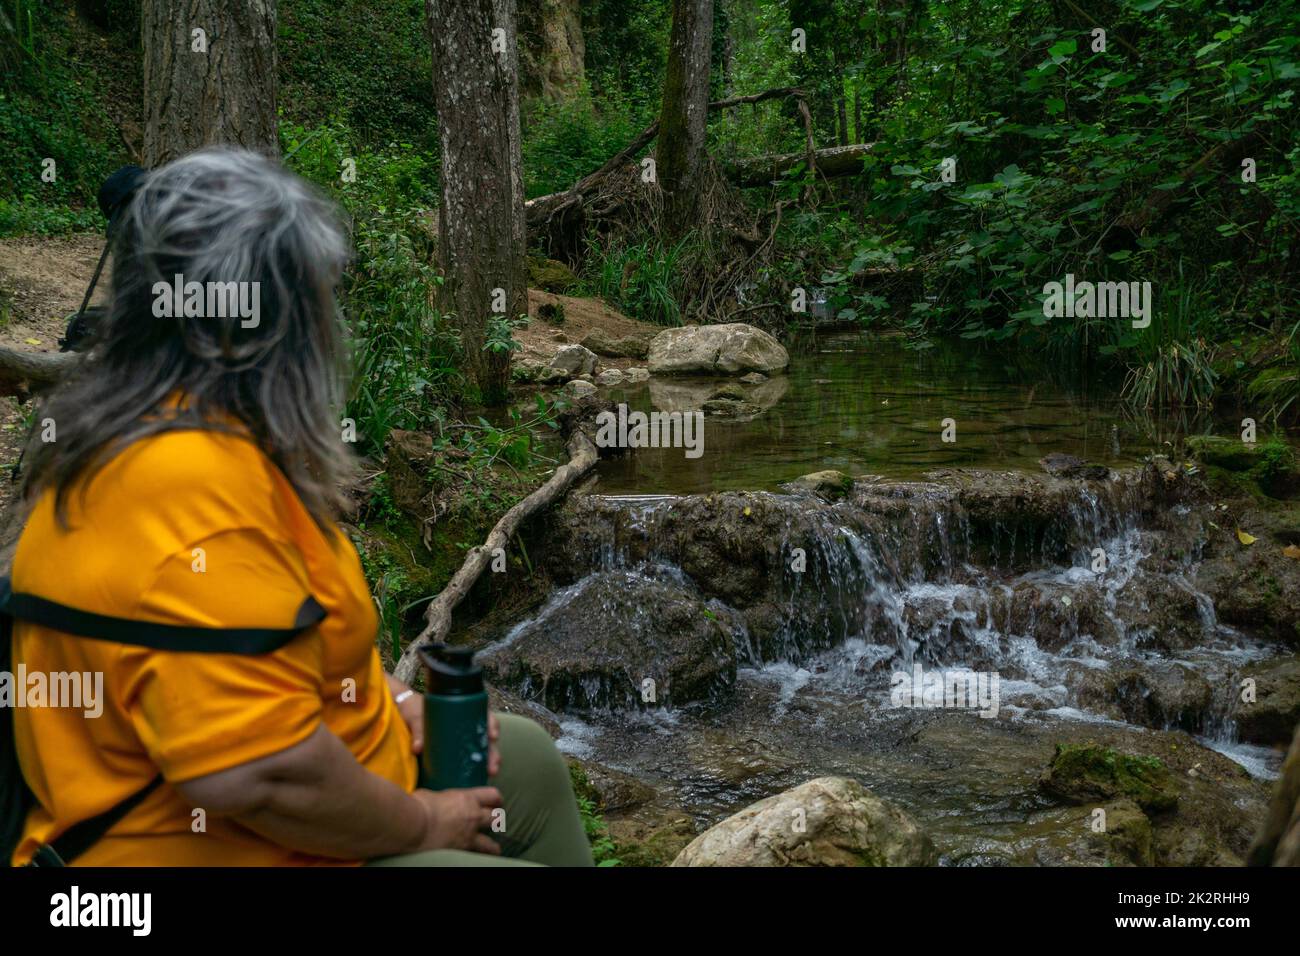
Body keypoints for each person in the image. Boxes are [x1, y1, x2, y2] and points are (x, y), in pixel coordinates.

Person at [7, 148, 593, 867]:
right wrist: (420, 825)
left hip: (286, 811)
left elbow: (290, 638)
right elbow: (260, 775)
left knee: (525, 759)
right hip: (187, 853)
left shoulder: (187, 429)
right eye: (321, 301)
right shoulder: (190, 490)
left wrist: (398, 705)